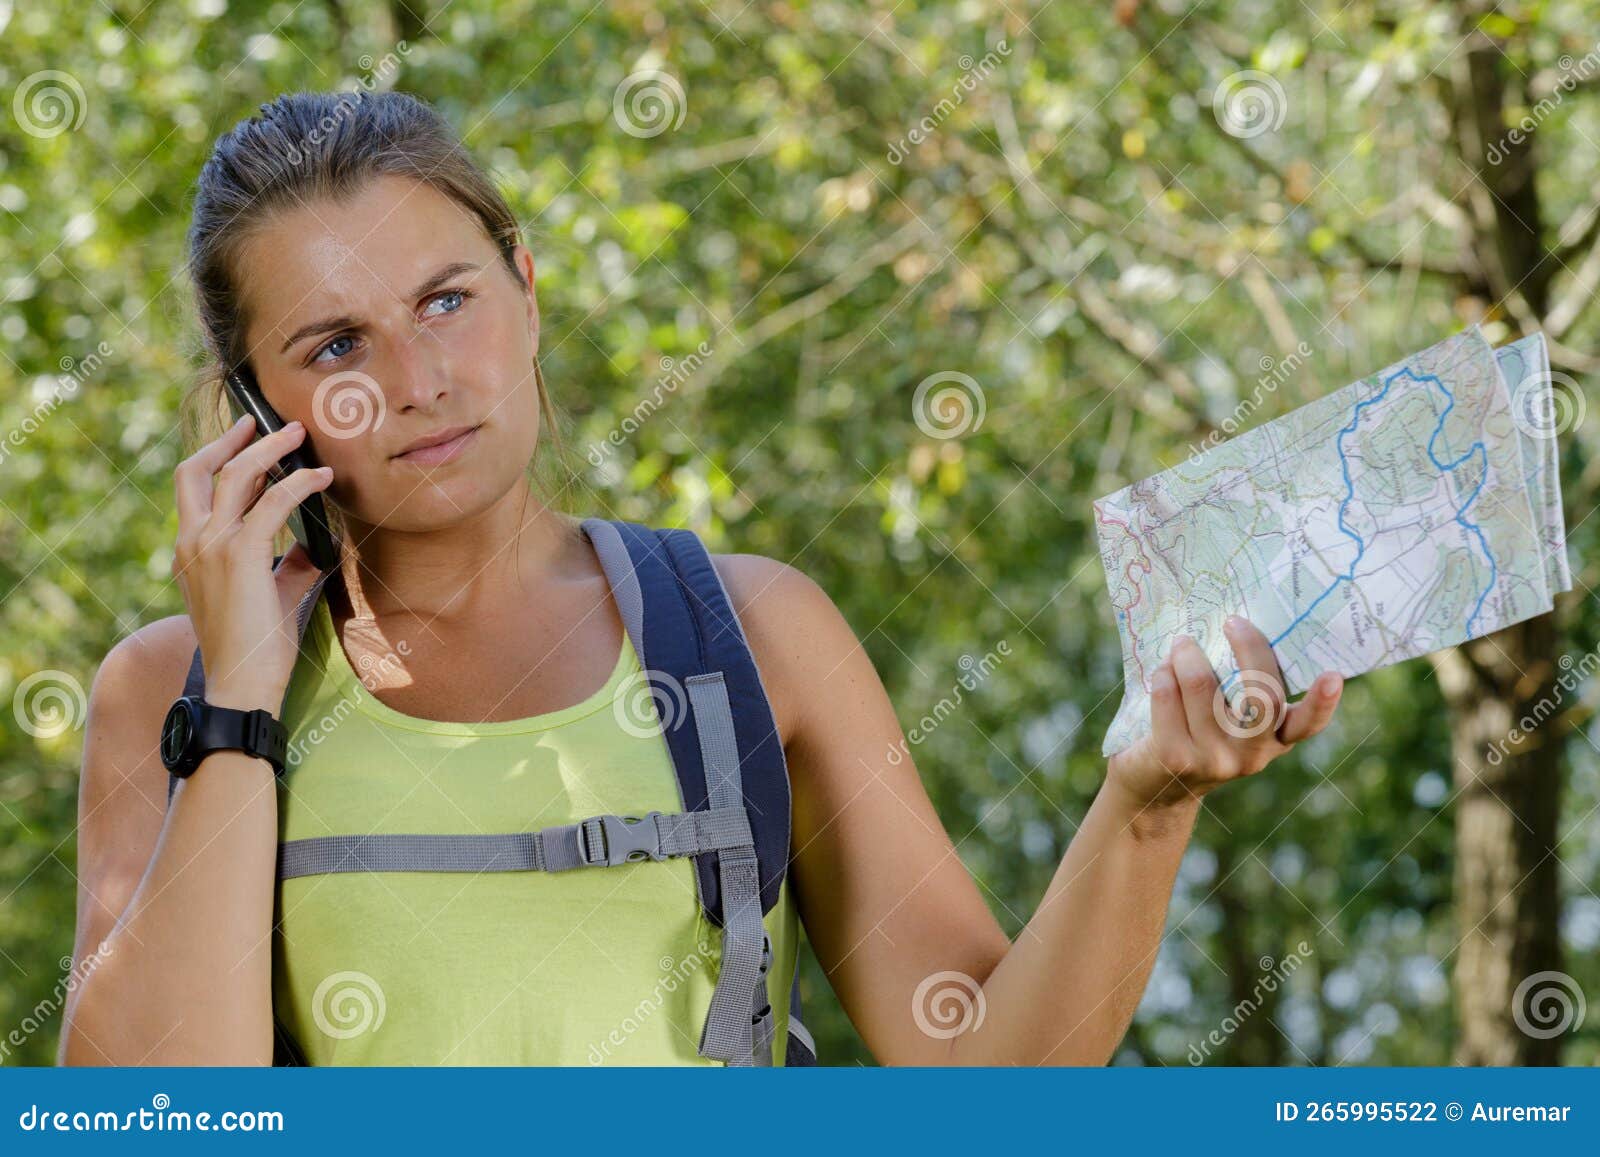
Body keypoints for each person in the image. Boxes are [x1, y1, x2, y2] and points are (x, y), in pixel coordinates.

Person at [58, 90, 1343, 1067]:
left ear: (527, 292)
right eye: (335, 342)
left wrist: (1148, 800)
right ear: (250, 406)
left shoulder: (749, 629)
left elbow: (980, 1074)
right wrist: (235, 701)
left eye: (446, 300)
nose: (415, 379)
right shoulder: (165, 693)